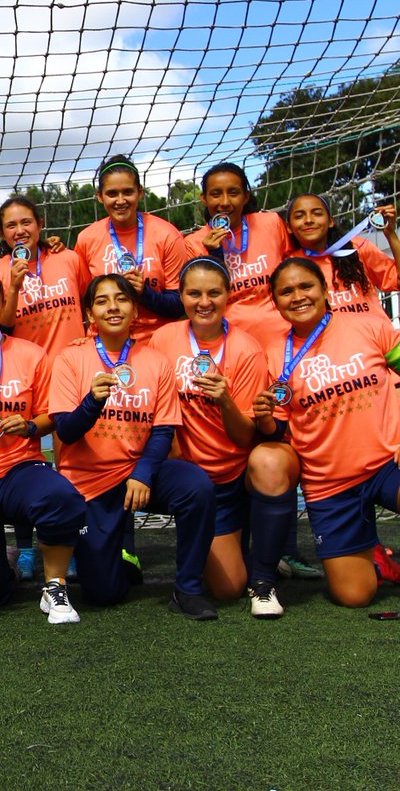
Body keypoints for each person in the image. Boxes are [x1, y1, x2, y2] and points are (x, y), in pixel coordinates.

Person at [49, 274, 218, 619]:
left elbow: (163, 430)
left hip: (137, 475)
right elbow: (65, 431)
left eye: (121, 299)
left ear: (135, 310)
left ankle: (187, 589)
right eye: (102, 301)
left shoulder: (155, 361)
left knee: (196, 486)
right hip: (89, 483)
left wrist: (142, 473)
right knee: (104, 594)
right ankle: (118, 557)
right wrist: (91, 403)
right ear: (89, 314)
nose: (113, 306)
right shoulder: (70, 359)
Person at [253, 258, 400, 608]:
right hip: (331, 485)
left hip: (386, 463)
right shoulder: (275, 357)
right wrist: (263, 419)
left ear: (325, 289)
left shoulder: (368, 327)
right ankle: (376, 559)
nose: (298, 296)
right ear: (275, 302)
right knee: (355, 596)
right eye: (286, 291)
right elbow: (280, 432)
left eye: (306, 286)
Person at [146, 258, 280, 616]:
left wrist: (225, 400)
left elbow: (245, 437)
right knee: (227, 587)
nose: (204, 302)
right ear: (181, 296)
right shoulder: (163, 339)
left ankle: (256, 544)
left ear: (228, 296)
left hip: (229, 477)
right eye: (194, 294)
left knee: (230, 588)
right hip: (187, 475)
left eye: (213, 293)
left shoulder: (247, 350)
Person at [0, 269, 84, 623]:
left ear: (4, 304)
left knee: (62, 498)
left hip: (18, 468)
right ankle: (2, 559)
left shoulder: (32, 354)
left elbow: (48, 415)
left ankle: (54, 585)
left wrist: (28, 427)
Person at [71, 155, 187, 341]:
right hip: (105, 345)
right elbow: (84, 301)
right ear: (100, 196)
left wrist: (144, 293)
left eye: (127, 192)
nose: (120, 200)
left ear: (140, 192)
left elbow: (179, 306)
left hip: (157, 341)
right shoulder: (86, 239)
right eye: (112, 193)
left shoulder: (166, 234)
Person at [182, 162, 290, 346]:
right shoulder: (193, 243)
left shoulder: (270, 223)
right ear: (204, 198)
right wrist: (214, 255)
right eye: (216, 194)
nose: (225, 202)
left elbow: (293, 271)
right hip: (232, 343)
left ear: (245, 196)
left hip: (284, 335)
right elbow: (204, 300)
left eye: (233, 193)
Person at [0, 196, 89, 360]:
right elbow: (1, 330)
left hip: (75, 365)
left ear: (40, 224)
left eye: (26, 222)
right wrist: (14, 289)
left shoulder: (69, 259)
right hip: (30, 371)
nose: (20, 231)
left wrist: (89, 338)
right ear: (0, 233)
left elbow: (90, 305)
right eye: (11, 225)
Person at [283, 194, 400, 323]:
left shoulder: (356, 248)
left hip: (378, 339)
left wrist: (391, 234)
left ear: (331, 221)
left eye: (317, 213)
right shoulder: (289, 266)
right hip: (330, 342)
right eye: (299, 216)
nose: (309, 220)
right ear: (289, 227)